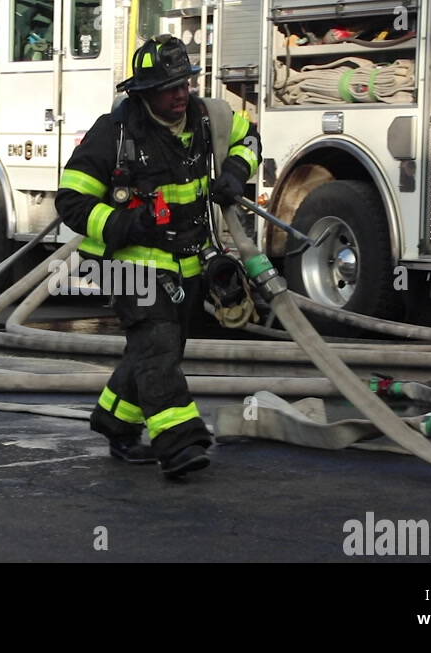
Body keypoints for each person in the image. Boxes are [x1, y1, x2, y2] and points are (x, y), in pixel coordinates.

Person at [55, 35, 262, 479]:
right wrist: (128, 225)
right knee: (159, 345)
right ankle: (180, 443)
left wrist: (235, 172)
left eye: (184, 82)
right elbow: (70, 201)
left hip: (184, 260)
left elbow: (250, 138)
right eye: (169, 86)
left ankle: (115, 424)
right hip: (123, 264)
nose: (181, 92)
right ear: (145, 92)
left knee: (152, 351)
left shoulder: (209, 120)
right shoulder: (115, 134)